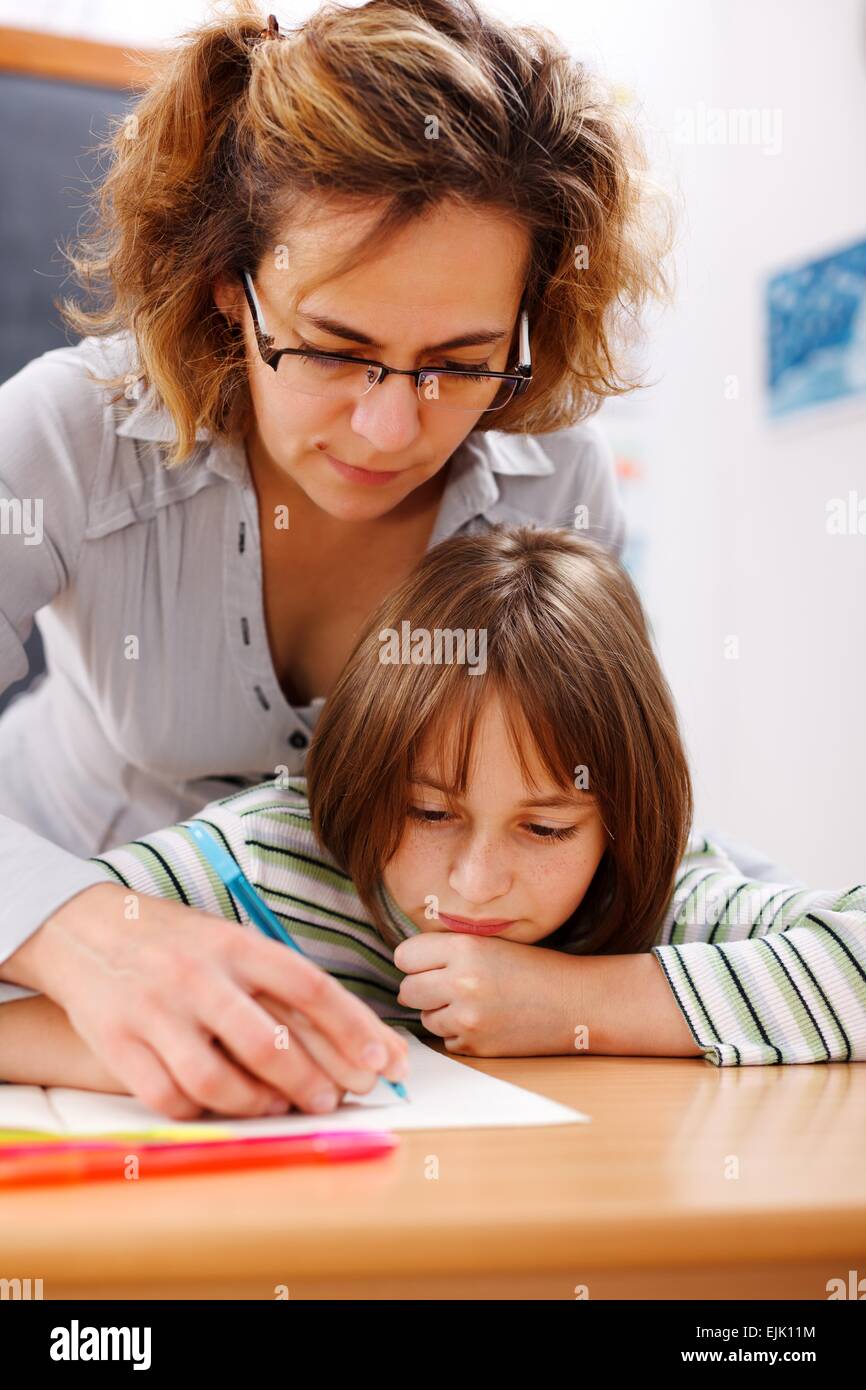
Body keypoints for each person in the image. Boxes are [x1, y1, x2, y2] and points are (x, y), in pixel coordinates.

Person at [0, 0, 774, 1118]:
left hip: (385, 1031)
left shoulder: (555, 479)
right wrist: (79, 929)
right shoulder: (65, 433)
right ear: (231, 289)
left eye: (459, 362)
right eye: (333, 349)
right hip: (64, 993)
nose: (388, 432)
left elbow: (599, 790)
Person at [2, 528, 862, 1109]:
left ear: (621, 822)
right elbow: (47, 947)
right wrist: (150, 1049)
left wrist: (581, 1003)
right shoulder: (264, 862)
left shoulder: (652, 892)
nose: (476, 882)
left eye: (548, 828)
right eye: (426, 810)